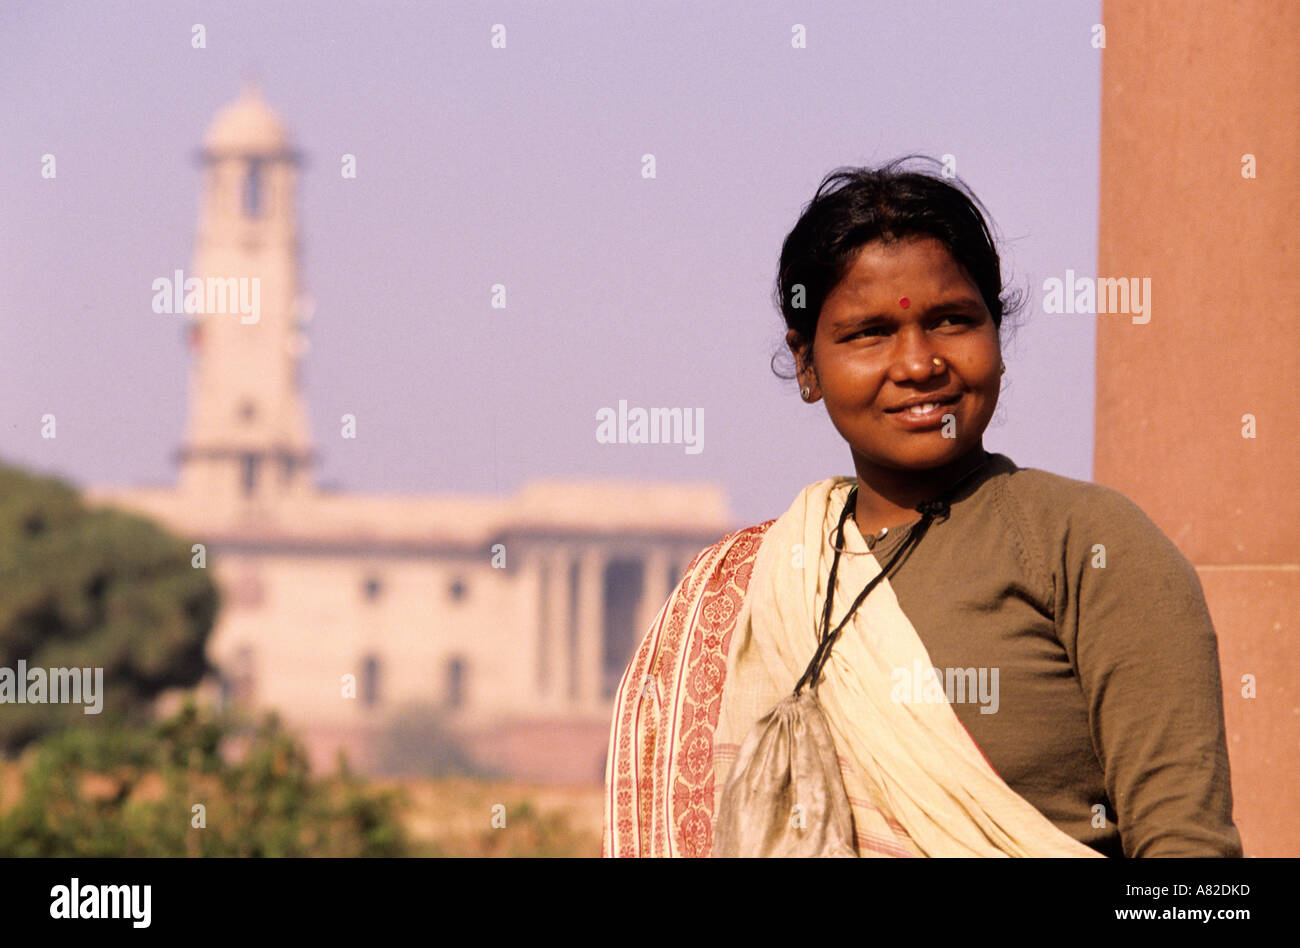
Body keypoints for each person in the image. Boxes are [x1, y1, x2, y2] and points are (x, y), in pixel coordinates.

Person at [601, 157, 1242, 858]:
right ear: (807, 364)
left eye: (952, 321)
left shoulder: (1088, 545)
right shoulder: (747, 585)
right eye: (870, 333)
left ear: (997, 339)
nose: (917, 363)